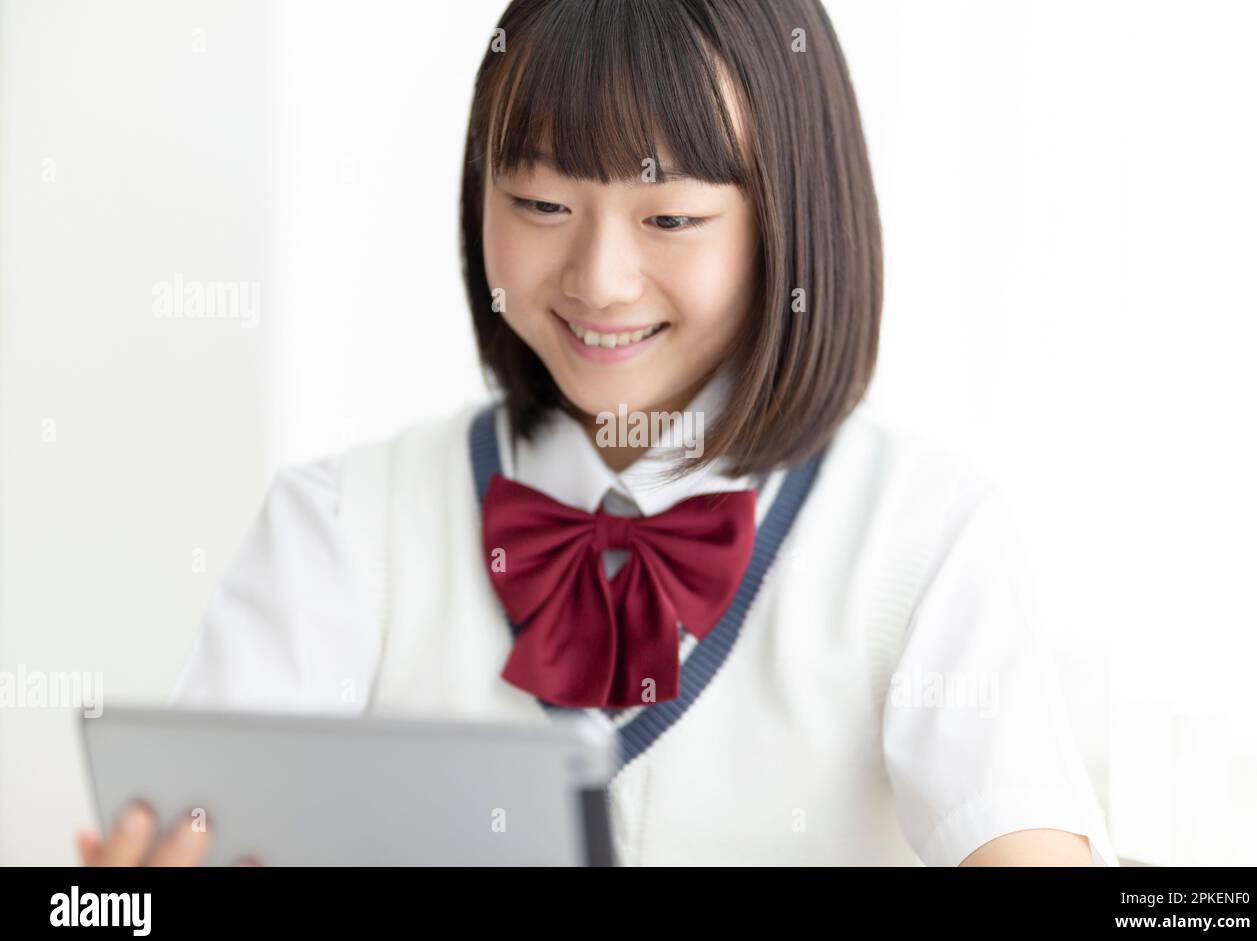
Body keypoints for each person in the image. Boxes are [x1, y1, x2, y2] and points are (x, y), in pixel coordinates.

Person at [79, 0, 1117, 867]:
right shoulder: (343, 526)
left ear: (789, 222)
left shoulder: (922, 538)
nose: (596, 280)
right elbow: (196, 835)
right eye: (537, 202)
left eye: (669, 219)